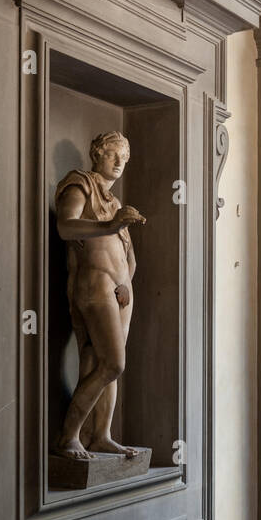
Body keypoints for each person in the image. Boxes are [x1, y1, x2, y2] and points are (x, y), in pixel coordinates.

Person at [53, 130, 146, 461]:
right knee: (113, 363)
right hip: (93, 285)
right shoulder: (80, 184)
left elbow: (130, 256)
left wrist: (126, 282)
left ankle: (101, 435)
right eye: (113, 155)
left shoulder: (116, 203)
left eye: (125, 158)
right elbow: (66, 227)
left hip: (121, 292)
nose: (120, 162)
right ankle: (68, 436)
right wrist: (110, 226)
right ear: (96, 154)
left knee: (99, 362)